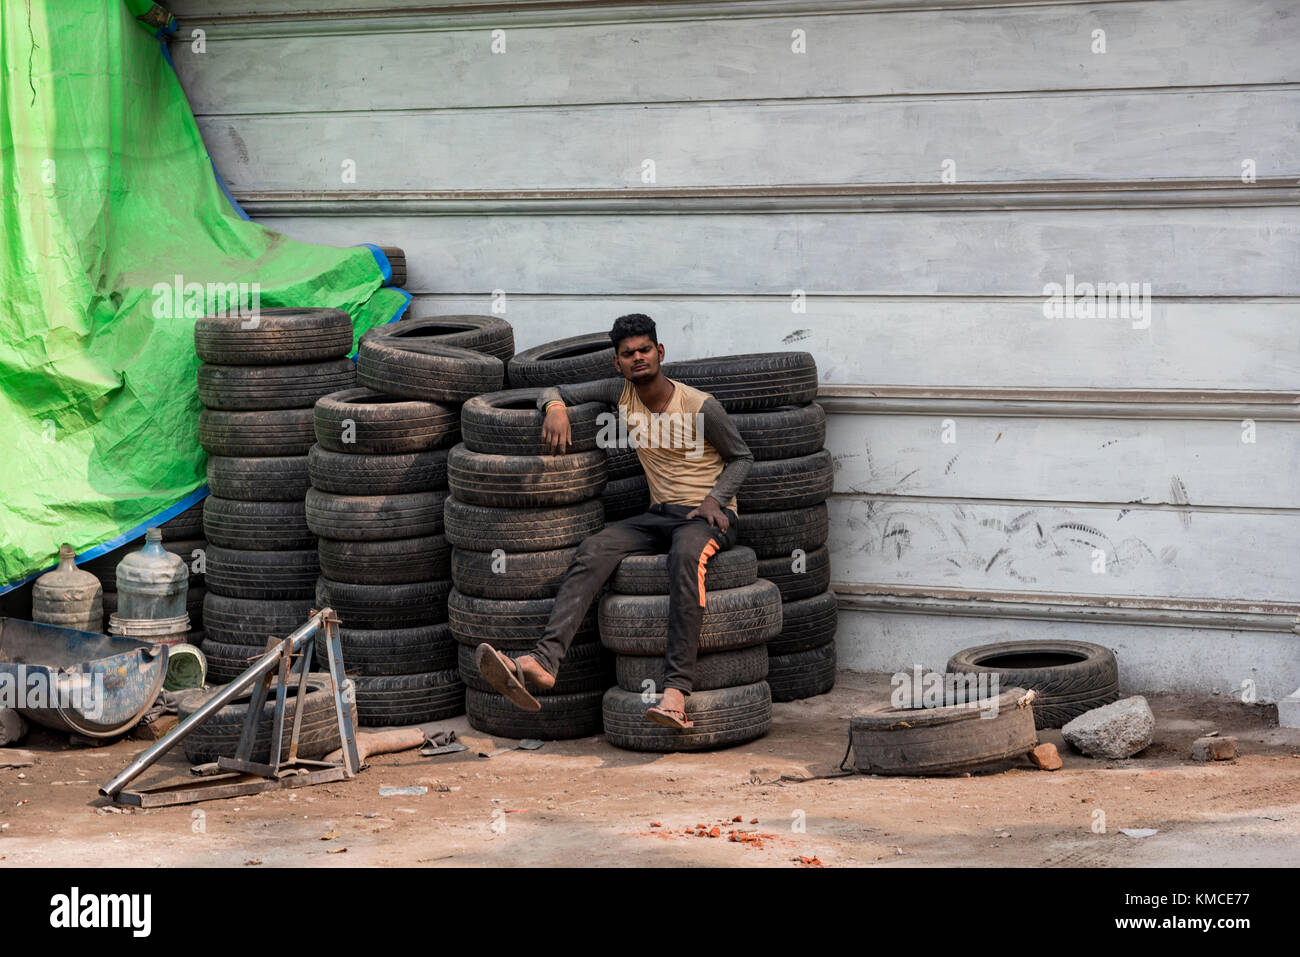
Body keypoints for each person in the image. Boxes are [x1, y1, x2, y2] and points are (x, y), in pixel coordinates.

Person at [475, 313, 754, 729]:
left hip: (706, 517)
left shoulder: (699, 405)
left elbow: (742, 457)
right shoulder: (618, 392)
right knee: (594, 548)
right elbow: (554, 389)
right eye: (628, 354)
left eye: (644, 350)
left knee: (685, 559)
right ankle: (543, 661)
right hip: (660, 513)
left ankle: (676, 691)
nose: (638, 358)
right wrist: (554, 407)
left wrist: (716, 499)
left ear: (660, 353)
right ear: (617, 363)